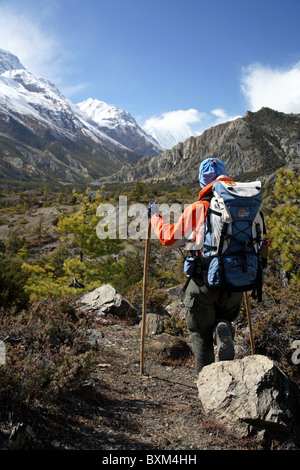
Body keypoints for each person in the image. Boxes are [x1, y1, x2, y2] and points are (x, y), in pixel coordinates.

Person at [148, 158, 243, 375]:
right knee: (223, 320)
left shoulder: (200, 208)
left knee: (200, 335)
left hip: (205, 283)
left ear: (203, 182)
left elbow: (168, 238)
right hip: (237, 281)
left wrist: (155, 217)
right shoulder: (244, 206)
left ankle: (206, 384)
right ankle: (223, 330)